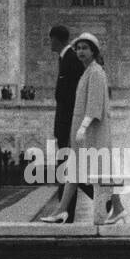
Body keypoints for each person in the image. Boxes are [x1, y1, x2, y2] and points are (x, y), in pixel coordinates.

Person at [45, 32, 125, 226]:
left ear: (93, 51)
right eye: (78, 48)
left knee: (97, 172)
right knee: (75, 172)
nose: (81, 52)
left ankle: (117, 208)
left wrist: (83, 127)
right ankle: (62, 210)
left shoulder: (96, 72)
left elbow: (94, 103)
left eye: (85, 48)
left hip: (92, 133)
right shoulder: (87, 71)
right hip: (84, 132)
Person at [41, 23, 93, 223]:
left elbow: (71, 97)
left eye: (50, 39)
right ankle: (66, 214)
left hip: (69, 127)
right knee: (70, 172)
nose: (49, 43)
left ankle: (108, 204)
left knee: (71, 172)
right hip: (66, 127)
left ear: (56, 39)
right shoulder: (66, 58)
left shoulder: (70, 59)